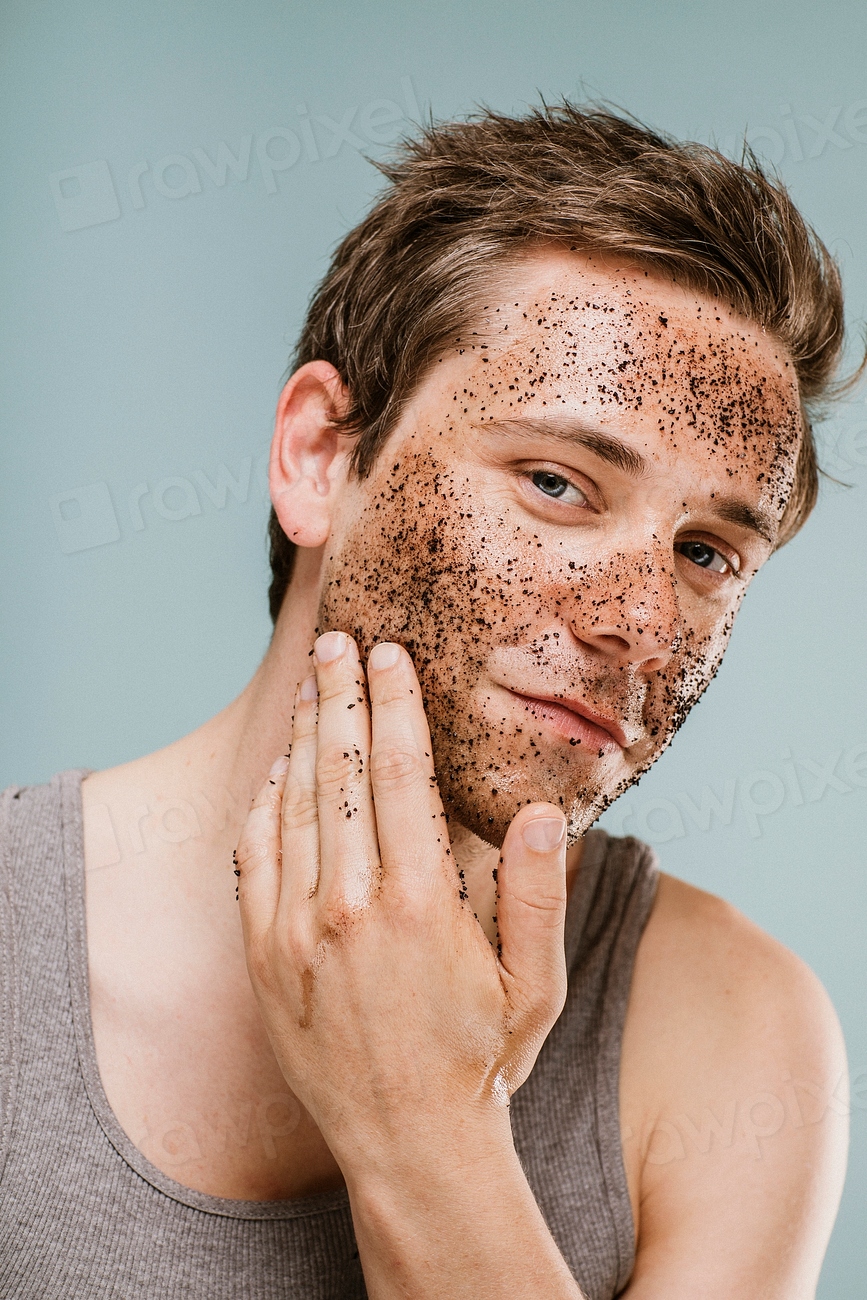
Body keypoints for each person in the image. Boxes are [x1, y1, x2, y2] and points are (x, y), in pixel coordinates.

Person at [0, 105, 857, 1299]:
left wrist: (426, 1130)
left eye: (708, 554)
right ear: (319, 457)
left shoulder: (732, 1039)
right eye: (557, 482)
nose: (643, 627)